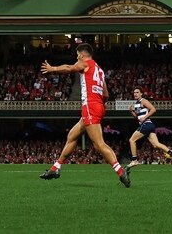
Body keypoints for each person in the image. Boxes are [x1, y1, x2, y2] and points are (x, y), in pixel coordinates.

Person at [38, 43, 131, 187]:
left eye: (77, 56)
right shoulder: (99, 70)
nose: (77, 58)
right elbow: (106, 94)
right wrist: (99, 105)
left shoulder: (84, 63)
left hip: (90, 106)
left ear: (82, 55)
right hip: (98, 105)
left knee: (99, 144)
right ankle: (55, 168)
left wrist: (53, 69)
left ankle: (120, 171)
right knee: (72, 136)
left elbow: (69, 68)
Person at [126, 87, 172, 167]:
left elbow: (153, 109)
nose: (135, 94)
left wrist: (145, 117)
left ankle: (134, 160)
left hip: (146, 124)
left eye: (137, 92)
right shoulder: (137, 103)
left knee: (132, 140)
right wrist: (131, 111)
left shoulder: (144, 101)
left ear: (141, 93)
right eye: (134, 92)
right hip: (148, 125)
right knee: (156, 144)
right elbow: (138, 117)